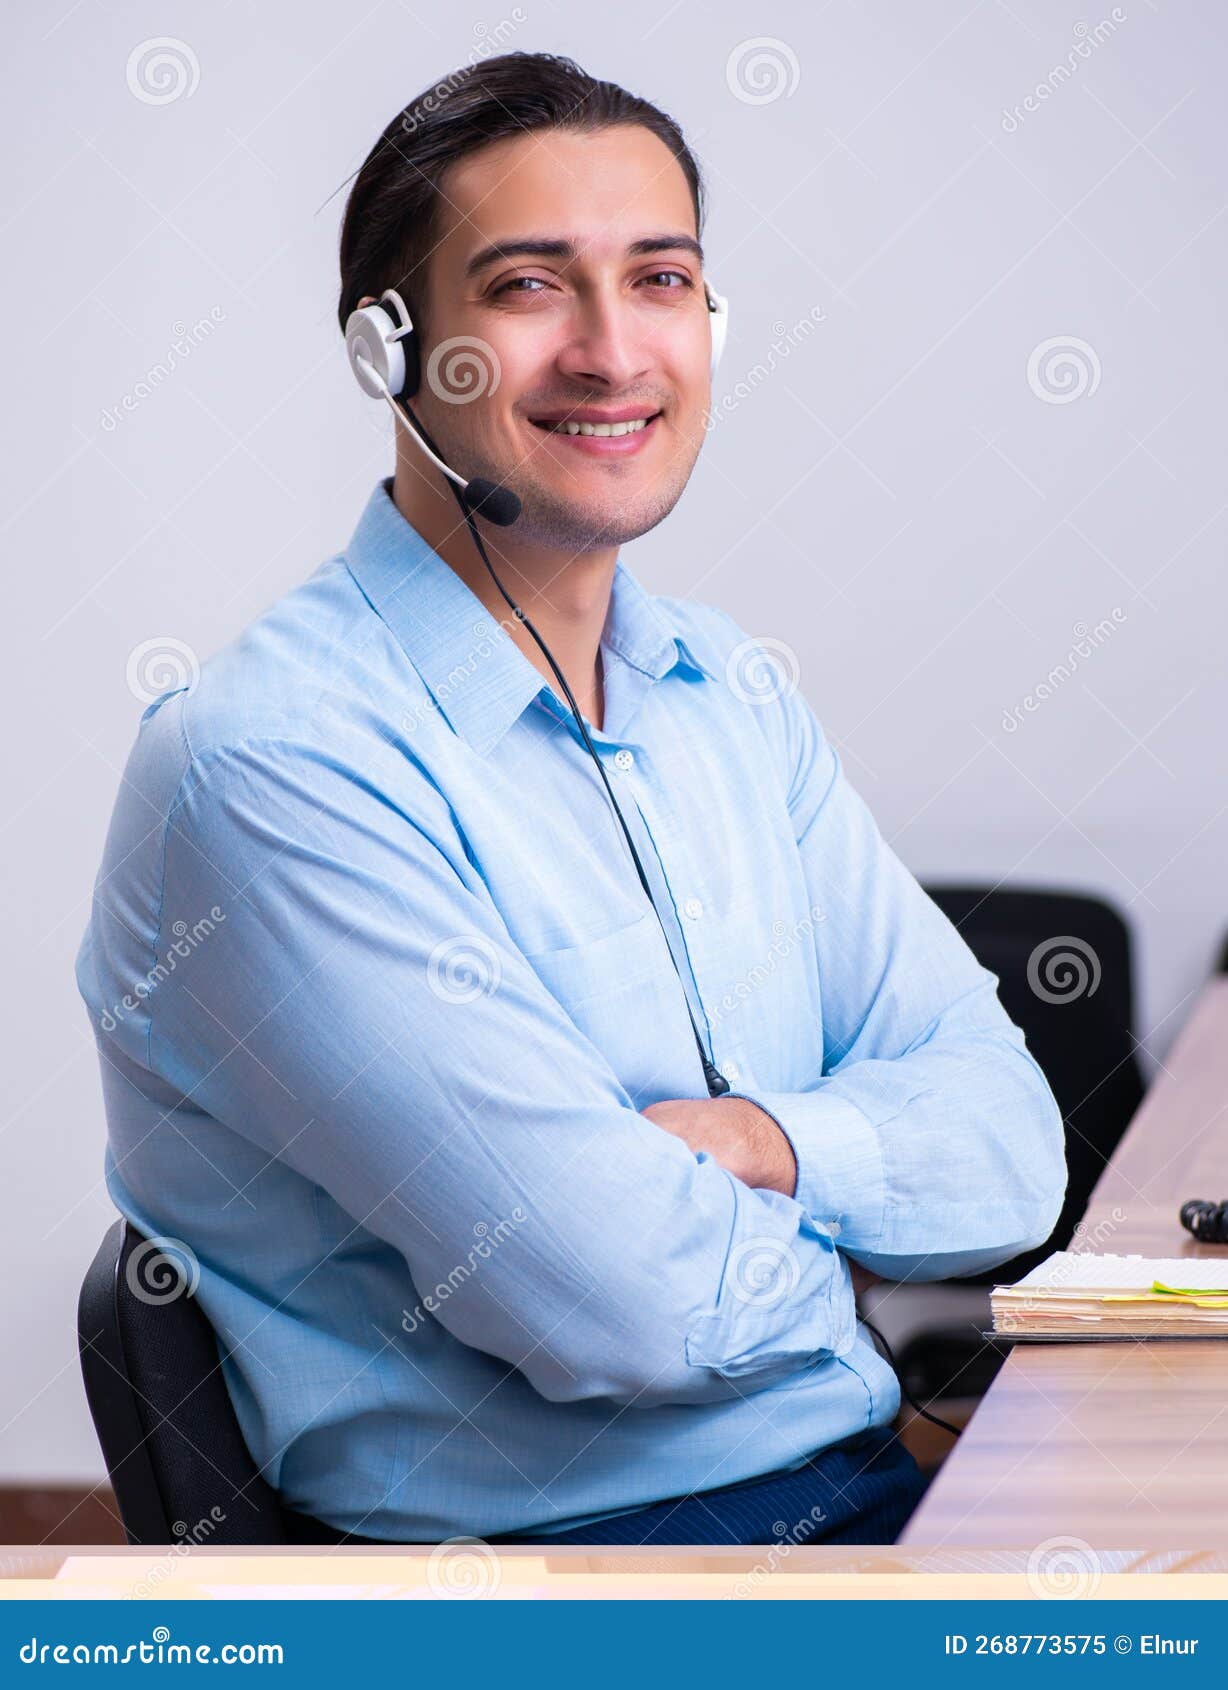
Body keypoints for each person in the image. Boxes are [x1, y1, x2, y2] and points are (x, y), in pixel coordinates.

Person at [75, 52, 1066, 1547]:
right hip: (570, 1581)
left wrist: (753, 1143)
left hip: (858, 1495)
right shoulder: (271, 766)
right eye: (533, 287)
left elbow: (1014, 1151)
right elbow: (628, 1304)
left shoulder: (725, 692)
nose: (614, 353)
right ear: (387, 351)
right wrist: (857, 1216)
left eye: (660, 279)